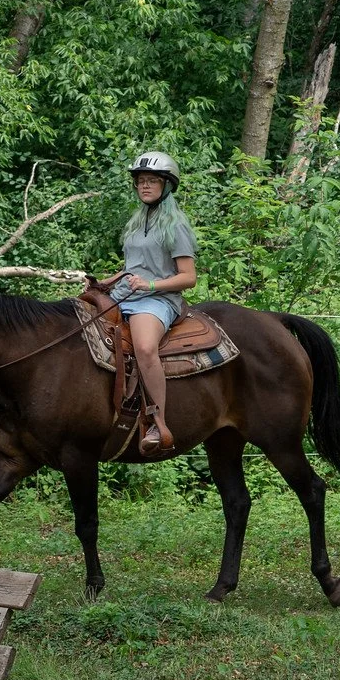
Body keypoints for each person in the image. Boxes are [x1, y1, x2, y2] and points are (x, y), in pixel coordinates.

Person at [108, 150, 198, 453]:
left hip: (158, 299)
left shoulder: (176, 225)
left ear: (167, 185)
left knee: (145, 347)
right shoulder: (137, 221)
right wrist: (108, 280)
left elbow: (188, 277)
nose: (144, 186)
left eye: (152, 181)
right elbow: (135, 265)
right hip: (126, 293)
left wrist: (150, 284)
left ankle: (158, 423)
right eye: (141, 181)